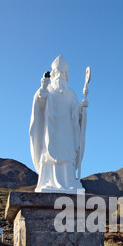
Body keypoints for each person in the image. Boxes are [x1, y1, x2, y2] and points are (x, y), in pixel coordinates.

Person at [29, 55, 87, 193]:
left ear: (66, 75)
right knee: (49, 154)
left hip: (67, 130)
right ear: (53, 74)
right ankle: (48, 181)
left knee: (67, 155)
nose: (60, 76)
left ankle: (68, 182)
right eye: (57, 73)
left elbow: (76, 114)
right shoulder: (47, 90)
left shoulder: (71, 94)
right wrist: (42, 88)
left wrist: (82, 109)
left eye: (63, 73)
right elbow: (40, 100)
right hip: (51, 129)